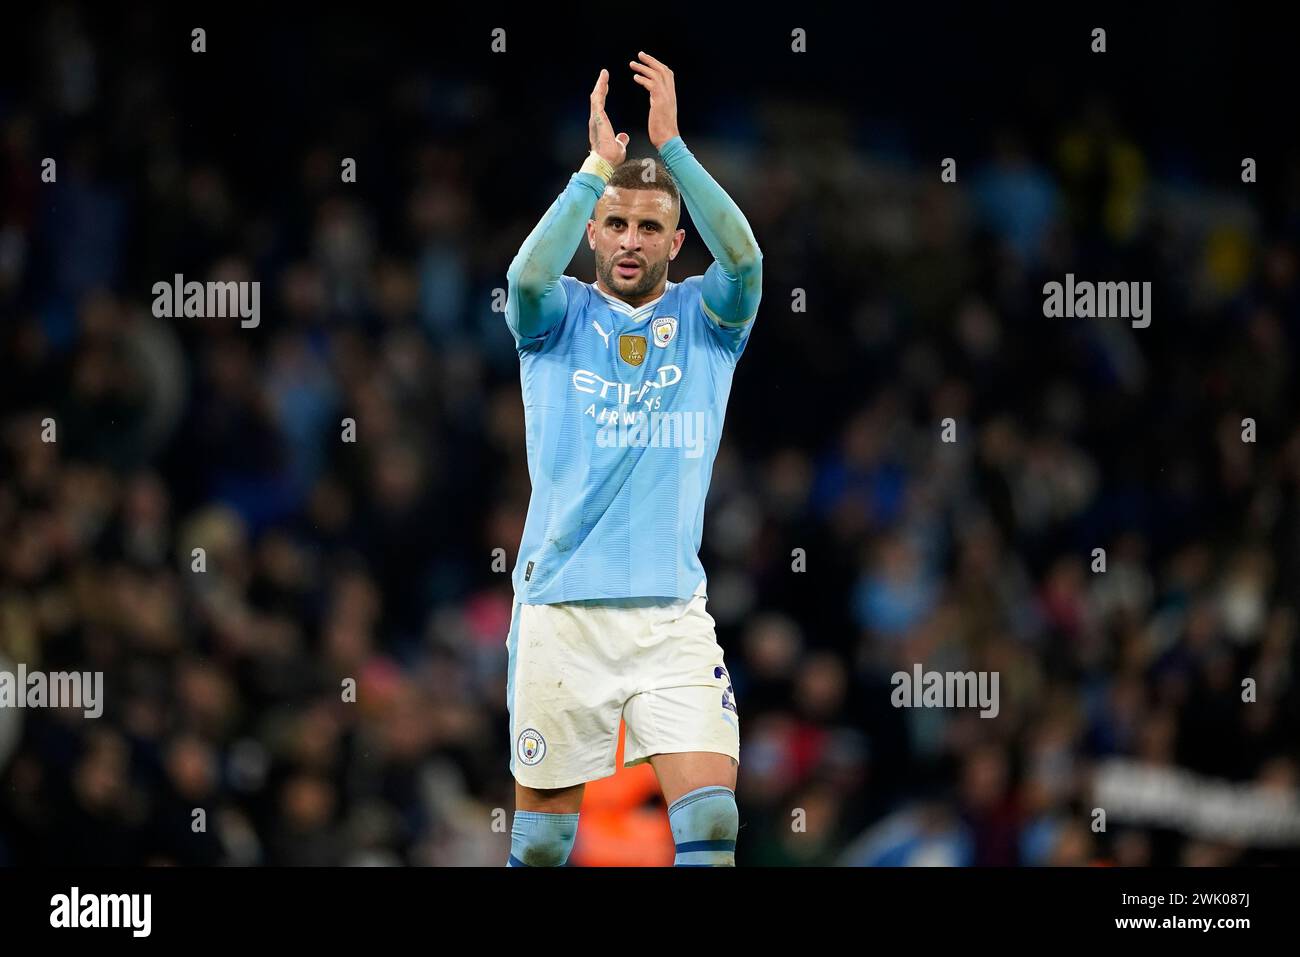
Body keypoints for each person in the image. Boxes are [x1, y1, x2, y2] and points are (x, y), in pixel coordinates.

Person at [502, 52, 762, 867]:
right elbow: (524, 273)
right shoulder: (556, 317)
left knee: (713, 824)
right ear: (593, 229)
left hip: (669, 615)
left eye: (649, 226)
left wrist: (673, 148)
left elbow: (748, 263)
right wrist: (594, 170)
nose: (628, 239)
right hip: (562, 610)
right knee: (543, 849)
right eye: (615, 222)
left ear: (675, 241)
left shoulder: (708, 321)